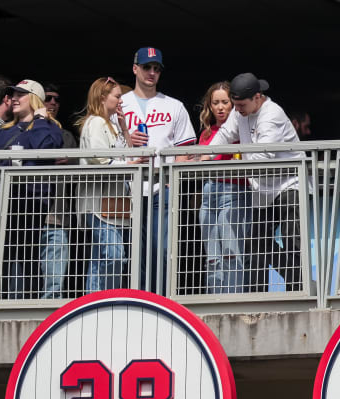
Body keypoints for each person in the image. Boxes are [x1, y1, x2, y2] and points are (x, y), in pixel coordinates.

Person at [209, 73, 305, 292]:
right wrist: (205, 155)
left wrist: (234, 161)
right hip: (262, 188)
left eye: (241, 105)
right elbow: (225, 133)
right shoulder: (241, 110)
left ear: (258, 97)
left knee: (292, 242)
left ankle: (298, 292)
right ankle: (257, 298)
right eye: (236, 105)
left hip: (289, 184)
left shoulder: (273, 114)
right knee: (257, 246)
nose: (238, 110)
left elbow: (263, 157)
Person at [120, 47, 197, 293]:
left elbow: (188, 150)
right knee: (129, 254)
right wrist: (125, 137)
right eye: (146, 67)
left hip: (159, 188)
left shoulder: (173, 105)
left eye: (156, 68)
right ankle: (136, 301)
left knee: (161, 251)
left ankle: (159, 301)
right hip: (126, 188)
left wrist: (171, 176)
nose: (152, 72)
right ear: (135, 68)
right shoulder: (120, 103)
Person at [0, 81, 66, 299]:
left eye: (21, 94)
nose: (14, 98)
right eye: (13, 94)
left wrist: (40, 119)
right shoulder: (2, 131)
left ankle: (18, 302)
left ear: (33, 99)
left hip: (31, 204)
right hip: (0, 201)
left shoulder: (49, 127)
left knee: (25, 258)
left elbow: (46, 148)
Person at [78, 77, 132, 293]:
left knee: (99, 259)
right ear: (103, 98)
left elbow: (128, 153)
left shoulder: (111, 125)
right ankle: (105, 301)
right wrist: (131, 163)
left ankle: (94, 302)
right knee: (114, 255)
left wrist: (125, 128)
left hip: (111, 205)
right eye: (117, 96)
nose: (121, 101)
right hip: (99, 204)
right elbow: (99, 158)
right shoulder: (96, 122)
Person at [196, 82, 249, 294]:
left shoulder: (241, 130)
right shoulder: (207, 133)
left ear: (233, 104)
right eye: (215, 102)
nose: (220, 107)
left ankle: (233, 301)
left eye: (225, 102)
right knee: (212, 256)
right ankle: (215, 301)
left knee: (231, 252)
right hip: (209, 193)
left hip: (234, 191)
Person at [41, 83, 77, 148]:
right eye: (47, 98)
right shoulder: (26, 129)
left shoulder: (66, 136)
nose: (53, 102)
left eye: (57, 99)